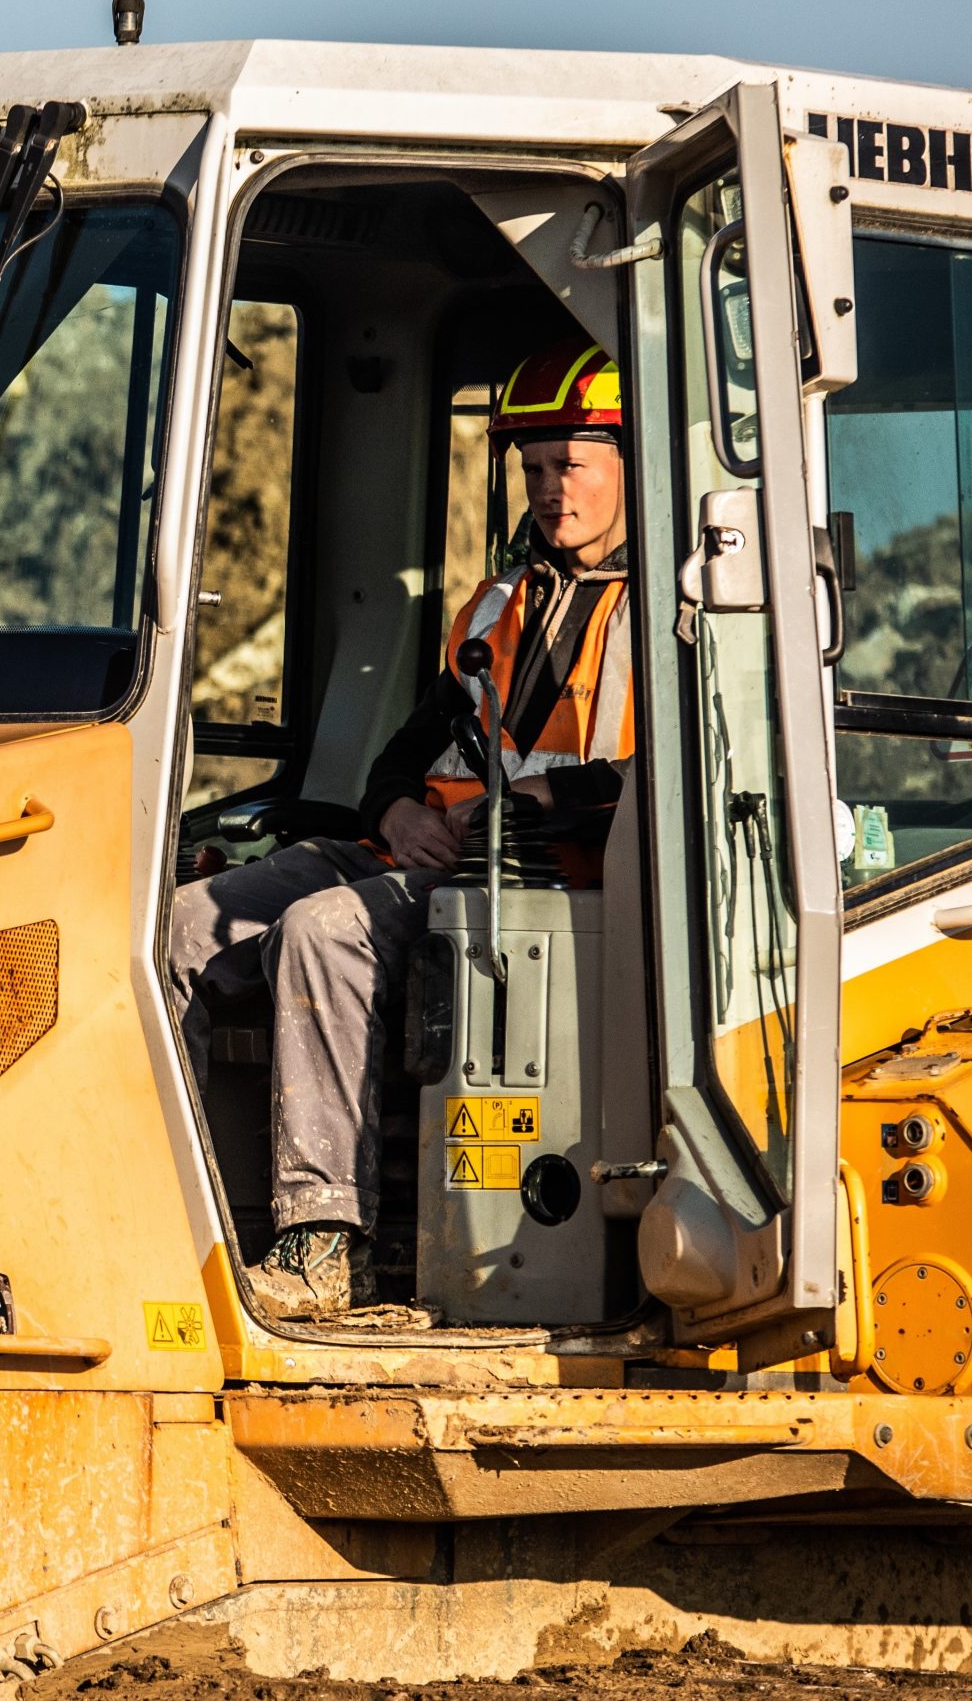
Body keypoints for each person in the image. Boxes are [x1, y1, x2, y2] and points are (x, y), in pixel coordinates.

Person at [168, 339, 635, 1319]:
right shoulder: (504, 601)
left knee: (324, 932)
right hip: (415, 848)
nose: (550, 492)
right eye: (534, 468)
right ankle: (180, 1215)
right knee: (176, 926)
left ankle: (320, 1243)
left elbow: (657, 774)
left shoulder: (671, 615)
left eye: (573, 466)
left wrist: (534, 808)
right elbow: (406, 747)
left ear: (629, 465)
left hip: (531, 877)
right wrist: (394, 808)